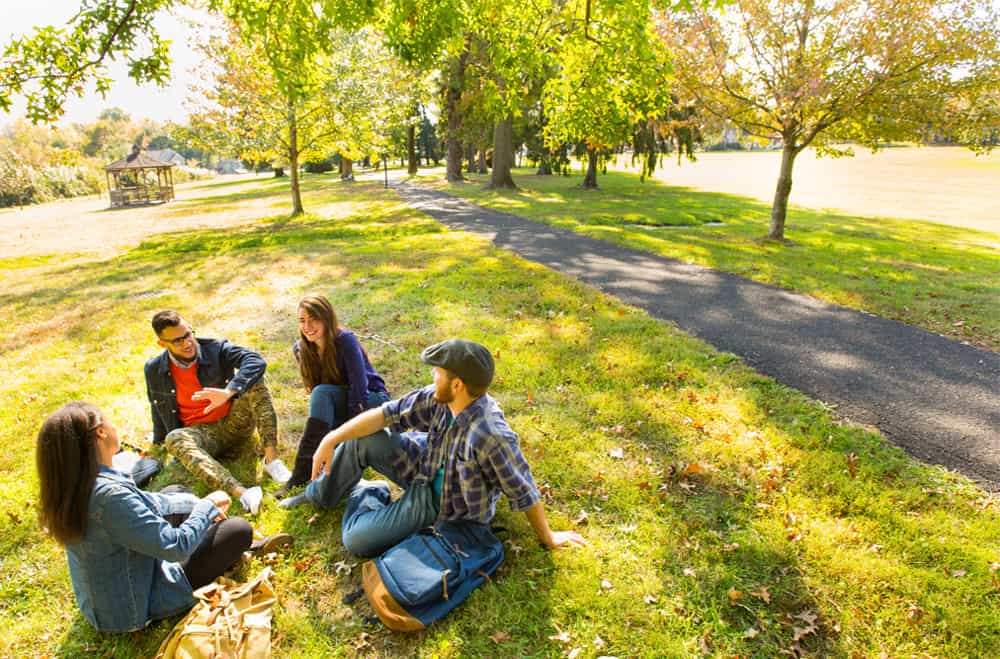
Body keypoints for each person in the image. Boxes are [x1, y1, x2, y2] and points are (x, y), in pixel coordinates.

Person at [281, 339, 588, 558]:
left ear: (457, 385)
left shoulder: (491, 436)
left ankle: (369, 492)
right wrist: (330, 439)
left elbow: (524, 491)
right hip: (422, 467)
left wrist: (548, 537)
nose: (433, 376)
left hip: (440, 505)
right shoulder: (438, 397)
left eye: (438, 372)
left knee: (355, 541)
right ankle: (319, 494)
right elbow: (385, 414)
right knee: (362, 436)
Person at [35, 402, 291, 633]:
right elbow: (175, 547)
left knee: (175, 492)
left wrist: (196, 506)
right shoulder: (109, 498)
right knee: (237, 530)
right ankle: (241, 547)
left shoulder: (80, 482)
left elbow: (152, 503)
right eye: (108, 421)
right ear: (100, 432)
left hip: (112, 590)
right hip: (133, 605)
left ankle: (220, 539)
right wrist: (207, 507)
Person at [144, 310, 288, 514]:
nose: (187, 343)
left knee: (255, 382)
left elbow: (256, 361)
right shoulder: (153, 369)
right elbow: (157, 406)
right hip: (201, 436)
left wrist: (229, 392)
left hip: (233, 423)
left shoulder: (215, 348)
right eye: (177, 341)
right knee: (173, 438)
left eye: (188, 334)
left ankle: (271, 460)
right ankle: (243, 493)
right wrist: (158, 442)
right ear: (162, 344)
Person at [276, 295, 390, 498]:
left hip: (370, 401)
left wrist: (345, 433)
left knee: (322, 397)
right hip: (340, 402)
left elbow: (359, 388)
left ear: (326, 318)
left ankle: (320, 472)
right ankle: (301, 475)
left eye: (313, 319)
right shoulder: (302, 349)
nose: (307, 327)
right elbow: (319, 390)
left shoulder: (345, 340)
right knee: (320, 397)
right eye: (302, 321)